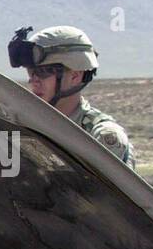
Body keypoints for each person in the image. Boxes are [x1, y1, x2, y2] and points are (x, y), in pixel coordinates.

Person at [8, 25, 136, 168]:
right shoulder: (23, 128)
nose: (34, 81)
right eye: (31, 72)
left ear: (75, 75)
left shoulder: (101, 137)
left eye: (44, 72)